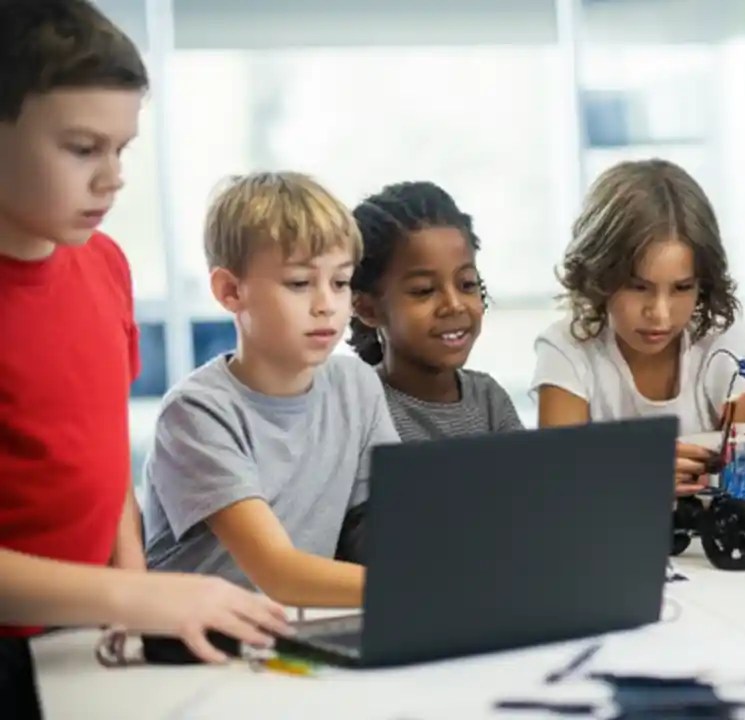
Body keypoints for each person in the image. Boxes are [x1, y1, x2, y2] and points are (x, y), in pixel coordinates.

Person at [0, 2, 287, 714]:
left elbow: (100, 465)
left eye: (121, 150)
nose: (113, 178)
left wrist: (133, 601)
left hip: (82, 635)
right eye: (82, 148)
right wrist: (134, 595)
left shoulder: (105, 264)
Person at [142, 172, 400, 608]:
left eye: (340, 282)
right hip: (201, 636)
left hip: (303, 621)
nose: (327, 305)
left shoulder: (357, 386)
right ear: (230, 291)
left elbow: (391, 523)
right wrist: (419, 588)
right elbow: (278, 572)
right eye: (299, 283)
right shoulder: (196, 411)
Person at [532, 159, 745, 495]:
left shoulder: (724, 339)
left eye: (682, 288)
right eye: (638, 287)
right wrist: (640, 474)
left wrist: (607, 469)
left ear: (704, 283)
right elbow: (557, 483)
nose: (660, 315)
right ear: (598, 276)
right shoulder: (566, 348)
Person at [349, 181, 522, 440]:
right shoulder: (360, 410)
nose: (454, 304)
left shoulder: (489, 399)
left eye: (467, 284)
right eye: (424, 290)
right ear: (367, 309)